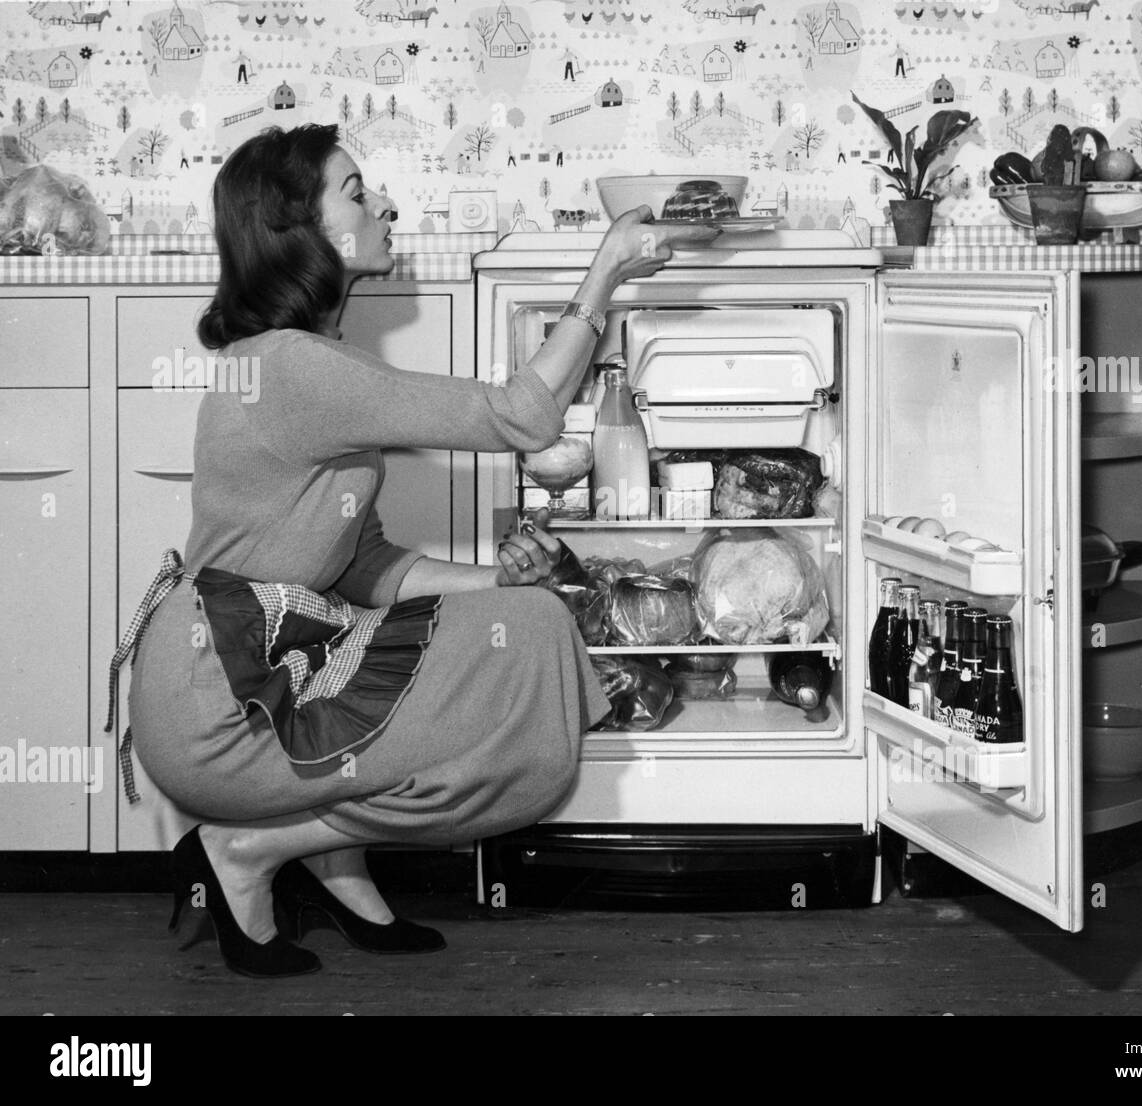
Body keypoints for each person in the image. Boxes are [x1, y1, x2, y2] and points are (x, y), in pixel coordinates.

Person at [105, 123, 717, 977]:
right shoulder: (294, 369)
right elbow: (522, 416)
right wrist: (607, 267)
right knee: (534, 652)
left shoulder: (302, 362)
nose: (385, 203)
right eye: (357, 192)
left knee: (527, 615)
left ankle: (331, 859)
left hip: (271, 661)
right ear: (300, 230)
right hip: (221, 693)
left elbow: (360, 566)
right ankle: (249, 851)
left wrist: (494, 580)